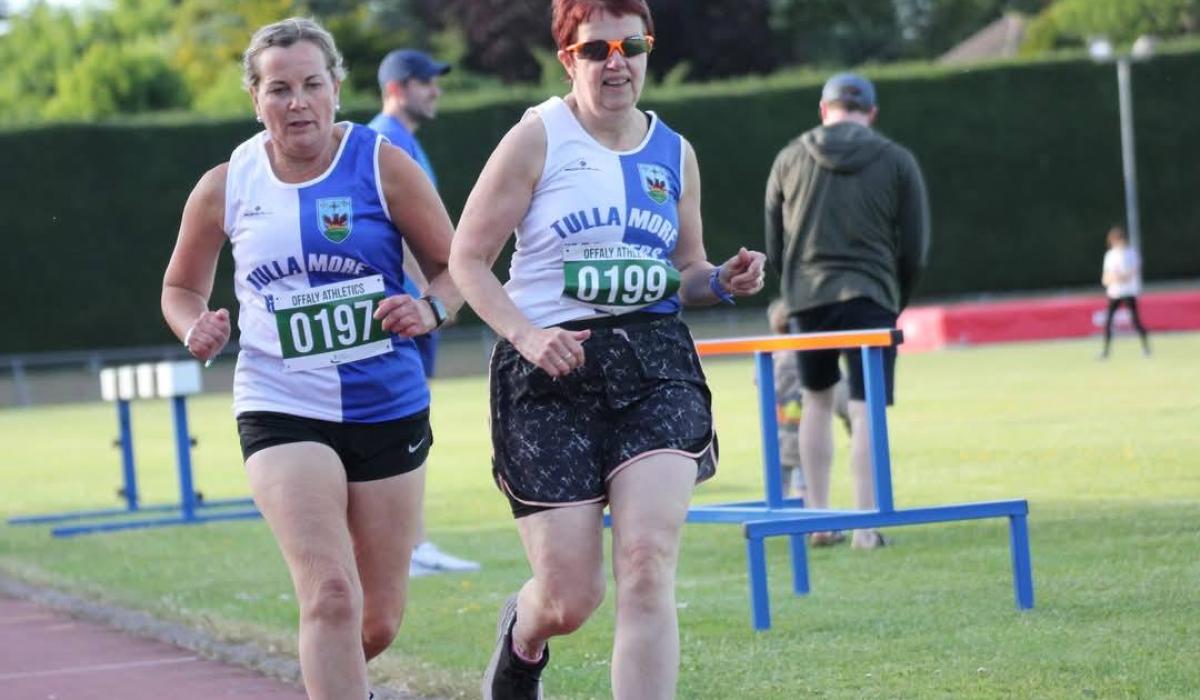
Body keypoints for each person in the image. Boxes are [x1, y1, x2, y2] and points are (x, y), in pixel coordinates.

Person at [448, 1, 766, 697]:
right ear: (569, 58)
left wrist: (720, 278)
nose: (616, 62)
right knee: (570, 597)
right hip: (549, 370)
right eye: (597, 50)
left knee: (649, 559)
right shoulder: (537, 138)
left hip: (654, 364)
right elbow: (467, 260)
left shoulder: (674, 151)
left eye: (632, 45)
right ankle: (523, 635)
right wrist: (528, 336)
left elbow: (685, 271)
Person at [160, 18, 461, 700]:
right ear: (255, 98)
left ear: (336, 88)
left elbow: (455, 267)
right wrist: (193, 326)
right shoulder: (226, 184)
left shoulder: (383, 165)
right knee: (329, 594)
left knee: (376, 620)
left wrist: (431, 308)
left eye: (311, 85)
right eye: (279, 89)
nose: (297, 102)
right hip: (279, 403)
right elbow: (180, 287)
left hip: (387, 401)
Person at [764, 72, 930, 551]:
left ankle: (817, 520)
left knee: (816, 401)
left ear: (823, 108)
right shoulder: (896, 160)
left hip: (807, 298)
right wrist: (895, 299)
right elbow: (915, 248)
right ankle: (866, 527)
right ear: (871, 113)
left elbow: (775, 243)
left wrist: (793, 289)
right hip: (871, 296)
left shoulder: (789, 158)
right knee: (864, 407)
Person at [368, 48, 481, 577]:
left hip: (418, 303)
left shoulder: (404, 141)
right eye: (426, 82)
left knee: (412, 419)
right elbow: (402, 227)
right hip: (404, 306)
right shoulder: (383, 142)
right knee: (397, 422)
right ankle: (403, 548)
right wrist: (432, 295)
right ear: (398, 88)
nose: (436, 91)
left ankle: (414, 542)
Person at [766, 298, 850, 514]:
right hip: (807, 434)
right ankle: (814, 521)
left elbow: (758, 381)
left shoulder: (772, 359)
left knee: (778, 487)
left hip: (778, 434)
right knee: (807, 484)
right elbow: (842, 397)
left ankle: (778, 521)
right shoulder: (814, 361)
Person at [1099, 225, 1151, 358]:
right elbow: (1105, 278)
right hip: (1114, 293)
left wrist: (1119, 277)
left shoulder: (1131, 253)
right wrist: (1113, 278)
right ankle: (1106, 351)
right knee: (1108, 322)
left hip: (1128, 292)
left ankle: (1146, 348)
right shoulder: (1109, 256)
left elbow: (1131, 274)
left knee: (1135, 321)